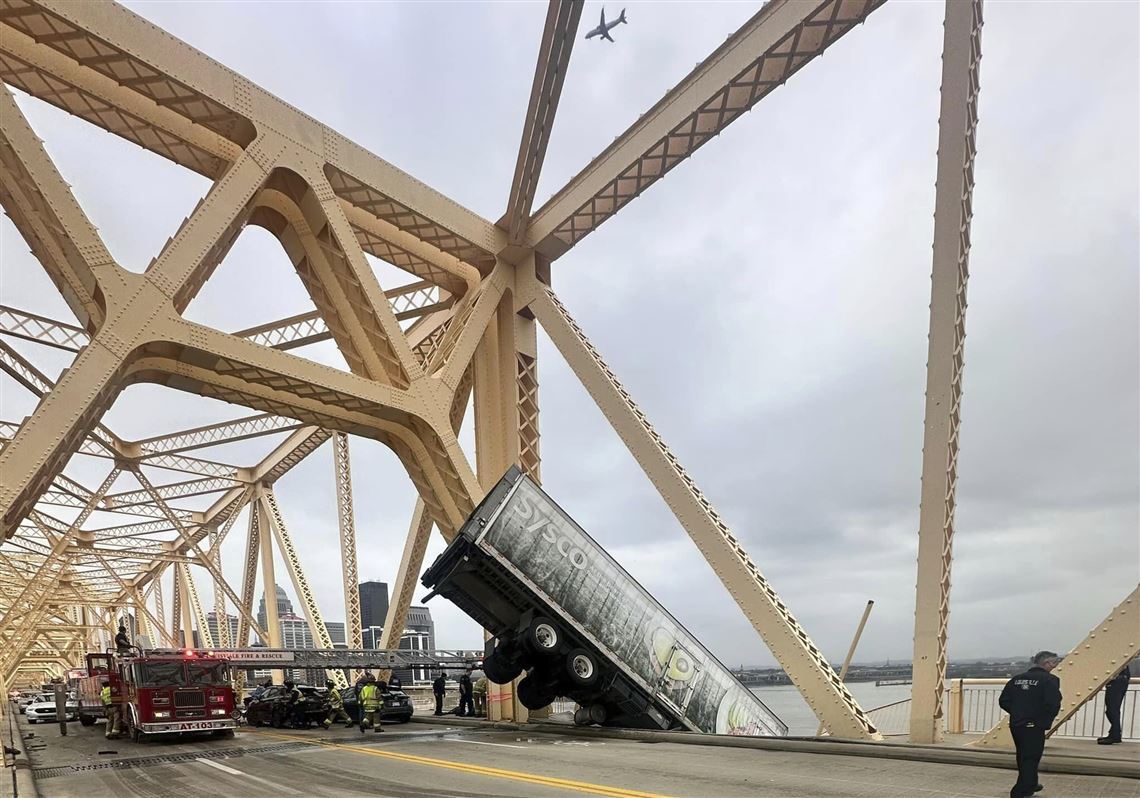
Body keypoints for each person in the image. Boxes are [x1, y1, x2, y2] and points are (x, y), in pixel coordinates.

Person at [999, 651, 1062, 798]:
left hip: (1016, 724)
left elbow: (1004, 701)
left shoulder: (1016, 679)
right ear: (1046, 663)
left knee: (1023, 756)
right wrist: (1041, 721)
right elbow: (1053, 704)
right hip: (1034, 725)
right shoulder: (1050, 680)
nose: (1055, 666)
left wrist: (1018, 713)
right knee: (1032, 757)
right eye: (1054, 663)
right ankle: (1020, 791)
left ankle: (1031, 783)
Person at [1098, 661, 1131, 745]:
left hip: (1116, 681)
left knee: (1112, 710)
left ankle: (1115, 735)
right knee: (1113, 709)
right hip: (1120, 680)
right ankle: (1114, 734)